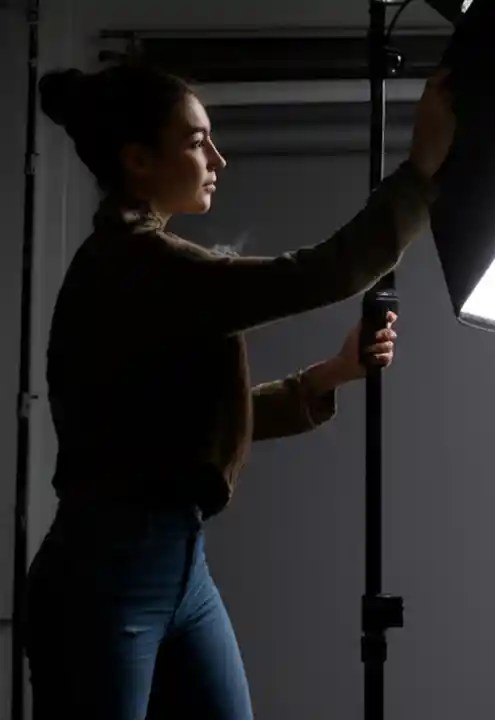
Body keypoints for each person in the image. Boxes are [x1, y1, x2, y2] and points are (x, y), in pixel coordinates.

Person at [24, 61, 455, 720]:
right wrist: (421, 170)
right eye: (197, 142)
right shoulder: (142, 266)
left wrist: (327, 376)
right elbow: (324, 271)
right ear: (138, 159)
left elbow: (187, 426)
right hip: (105, 577)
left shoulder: (144, 264)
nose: (218, 157)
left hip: (177, 568)